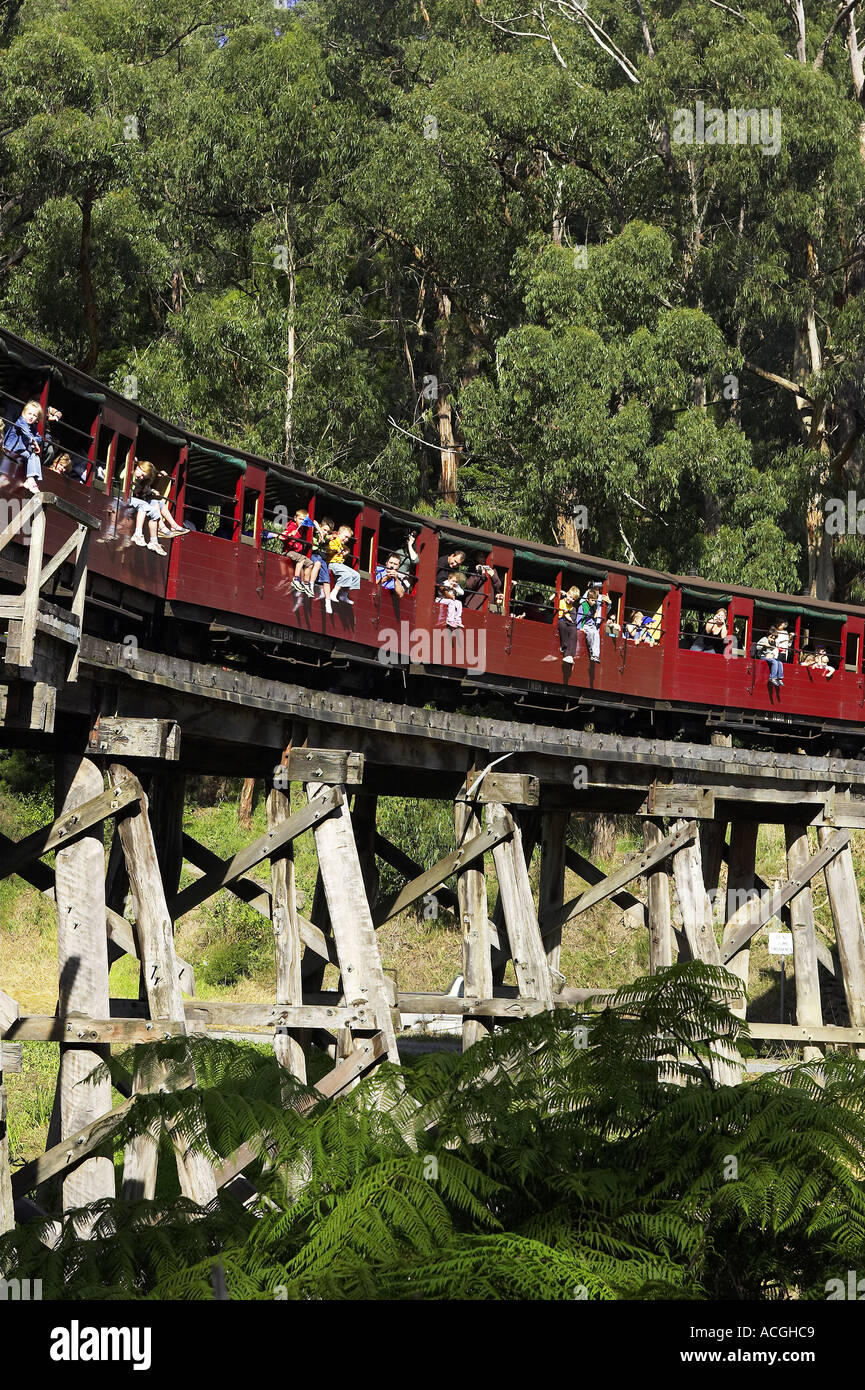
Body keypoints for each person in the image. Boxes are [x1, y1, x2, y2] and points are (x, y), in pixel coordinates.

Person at [1, 400, 44, 493]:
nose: (31, 417)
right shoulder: (21, 421)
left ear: (37, 418)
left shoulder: (32, 427)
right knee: (32, 455)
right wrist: (33, 441)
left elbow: (39, 437)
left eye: (35, 415)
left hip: (19, 449)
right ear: (24, 413)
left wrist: (35, 440)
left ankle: (31, 479)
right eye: (29, 414)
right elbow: (26, 432)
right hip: (12, 447)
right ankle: (31, 480)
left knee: (34, 456)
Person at [129, 461, 170, 555]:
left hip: (131, 498)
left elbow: (144, 488)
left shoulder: (140, 480)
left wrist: (157, 478)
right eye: (142, 474)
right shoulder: (129, 472)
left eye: (144, 476)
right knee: (144, 505)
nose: (141, 477)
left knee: (155, 511)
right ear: (138, 468)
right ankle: (138, 534)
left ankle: (154, 541)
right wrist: (132, 462)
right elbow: (123, 476)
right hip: (122, 496)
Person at [575, 586, 612, 663]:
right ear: (588, 598)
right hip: (585, 624)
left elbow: (604, 611)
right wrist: (579, 628)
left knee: (597, 634)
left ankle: (595, 655)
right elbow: (579, 616)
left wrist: (609, 603)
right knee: (591, 634)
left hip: (593, 625)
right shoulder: (583, 605)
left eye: (595, 600)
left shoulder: (595, 604)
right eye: (592, 600)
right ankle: (591, 652)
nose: (594, 602)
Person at [325, 523, 360, 606]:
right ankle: (334, 593)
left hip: (339, 564)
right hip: (332, 563)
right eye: (345, 537)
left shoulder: (342, 545)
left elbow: (347, 549)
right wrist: (338, 550)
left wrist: (347, 551)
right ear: (339, 534)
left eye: (348, 538)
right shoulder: (333, 541)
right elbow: (330, 548)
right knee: (347, 574)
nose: (347, 539)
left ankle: (344, 594)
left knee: (356, 575)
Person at [558, 585, 582, 665]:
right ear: (567, 594)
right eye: (570, 597)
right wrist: (558, 592)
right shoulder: (560, 601)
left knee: (573, 629)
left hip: (566, 620)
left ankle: (570, 655)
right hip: (559, 619)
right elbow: (550, 600)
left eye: (573, 599)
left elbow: (572, 620)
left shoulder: (572, 608)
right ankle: (564, 647)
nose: (571, 600)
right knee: (563, 626)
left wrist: (567, 615)